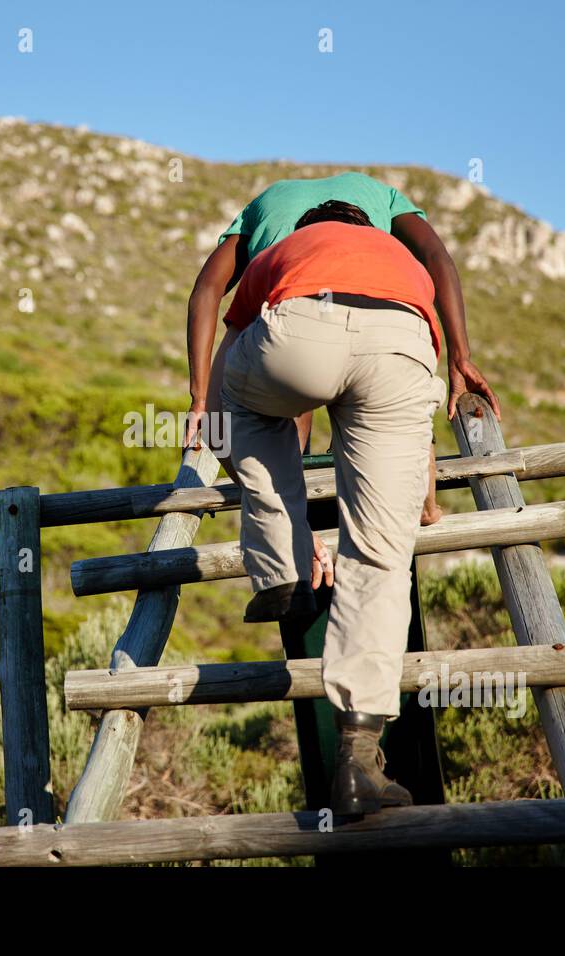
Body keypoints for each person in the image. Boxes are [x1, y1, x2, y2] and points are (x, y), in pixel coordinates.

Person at [212, 200, 493, 816]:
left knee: (235, 406)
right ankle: (360, 762)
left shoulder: (285, 250)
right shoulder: (402, 260)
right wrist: (418, 500)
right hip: (402, 345)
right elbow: (415, 418)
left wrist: (219, 426)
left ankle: (283, 569)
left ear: (310, 226)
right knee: (380, 558)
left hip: (298, 332)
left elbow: (229, 336)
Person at [184, 172, 499, 584]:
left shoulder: (268, 201)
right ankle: (421, 505)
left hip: (288, 319)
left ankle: (291, 532)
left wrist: (200, 400)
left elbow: (207, 289)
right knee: (393, 386)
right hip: (386, 322)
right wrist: (460, 354)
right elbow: (436, 256)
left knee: (248, 417)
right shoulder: (384, 196)